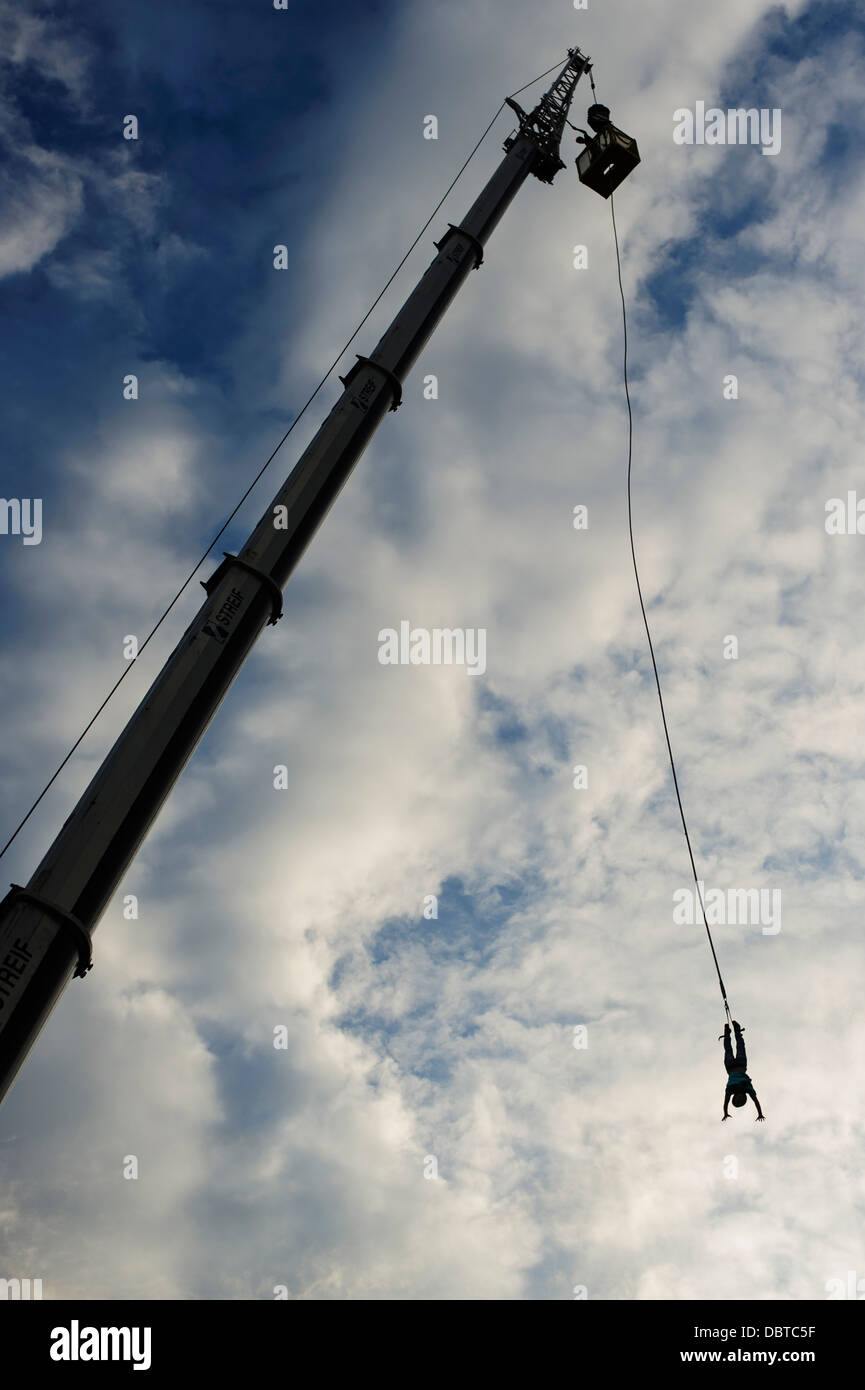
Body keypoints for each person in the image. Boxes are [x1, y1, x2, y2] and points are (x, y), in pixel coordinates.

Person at [721, 1020, 765, 1121]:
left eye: (737, 1100)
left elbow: (725, 1103)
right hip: (741, 1065)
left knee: (728, 1049)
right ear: (744, 1097)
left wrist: (726, 1113)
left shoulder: (730, 1090)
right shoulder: (747, 1088)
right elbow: (756, 1101)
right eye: (741, 1100)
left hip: (730, 1067)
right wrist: (760, 1113)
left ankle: (727, 1033)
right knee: (740, 1046)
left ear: (735, 1097)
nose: (740, 1098)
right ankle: (736, 1031)